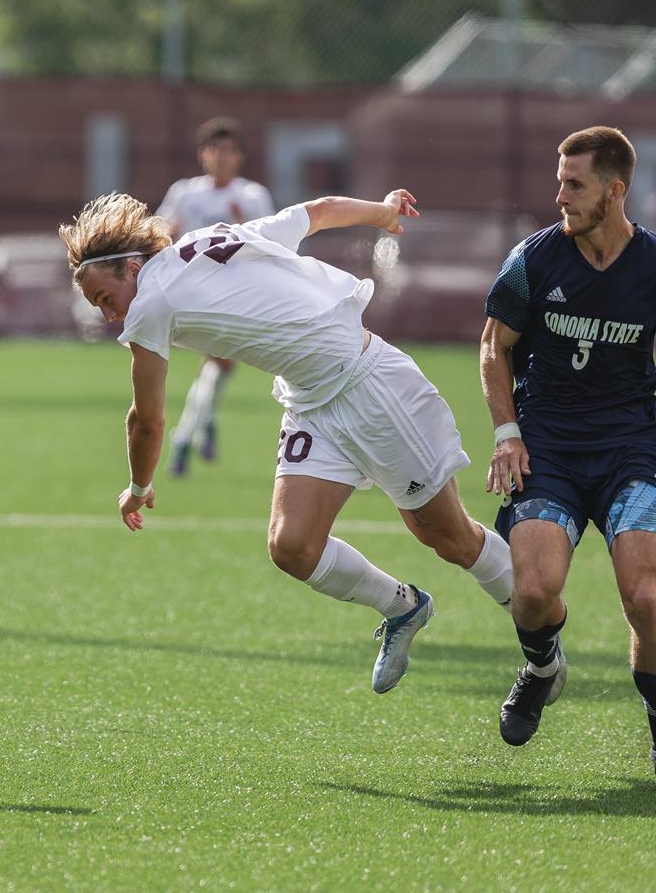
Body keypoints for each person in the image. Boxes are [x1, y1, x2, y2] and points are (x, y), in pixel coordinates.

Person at [60, 188, 516, 694]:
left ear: (131, 268)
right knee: (292, 546)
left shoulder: (151, 300)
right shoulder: (212, 238)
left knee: (447, 538)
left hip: (369, 385)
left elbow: (145, 420)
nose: (109, 316)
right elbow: (316, 214)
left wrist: (139, 485)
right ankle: (404, 607)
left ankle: (540, 631)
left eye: (105, 298)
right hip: (311, 403)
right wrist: (381, 213)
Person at [479, 126, 656, 794]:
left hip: (627, 453)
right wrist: (507, 434)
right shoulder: (532, 261)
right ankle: (541, 666)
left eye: (574, 184)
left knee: (644, 598)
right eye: (559, 181)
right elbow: (493, 347)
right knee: (532, 591)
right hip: (548, 449)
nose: (559, 196)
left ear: (614, 192)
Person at [153, 117, 275, 477]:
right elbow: (159, 230)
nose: (222, 158)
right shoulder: (185, 192)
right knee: (219, 364)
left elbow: (271, 243)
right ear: (202, 155)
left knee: (219, 367)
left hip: (238, 293)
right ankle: (187, 437)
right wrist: (167, 233)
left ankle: (193, 431)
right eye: (215, 150)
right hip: (193, 291)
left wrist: (243, 227)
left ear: (239, 157)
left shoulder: (252, 196)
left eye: (229, 151)